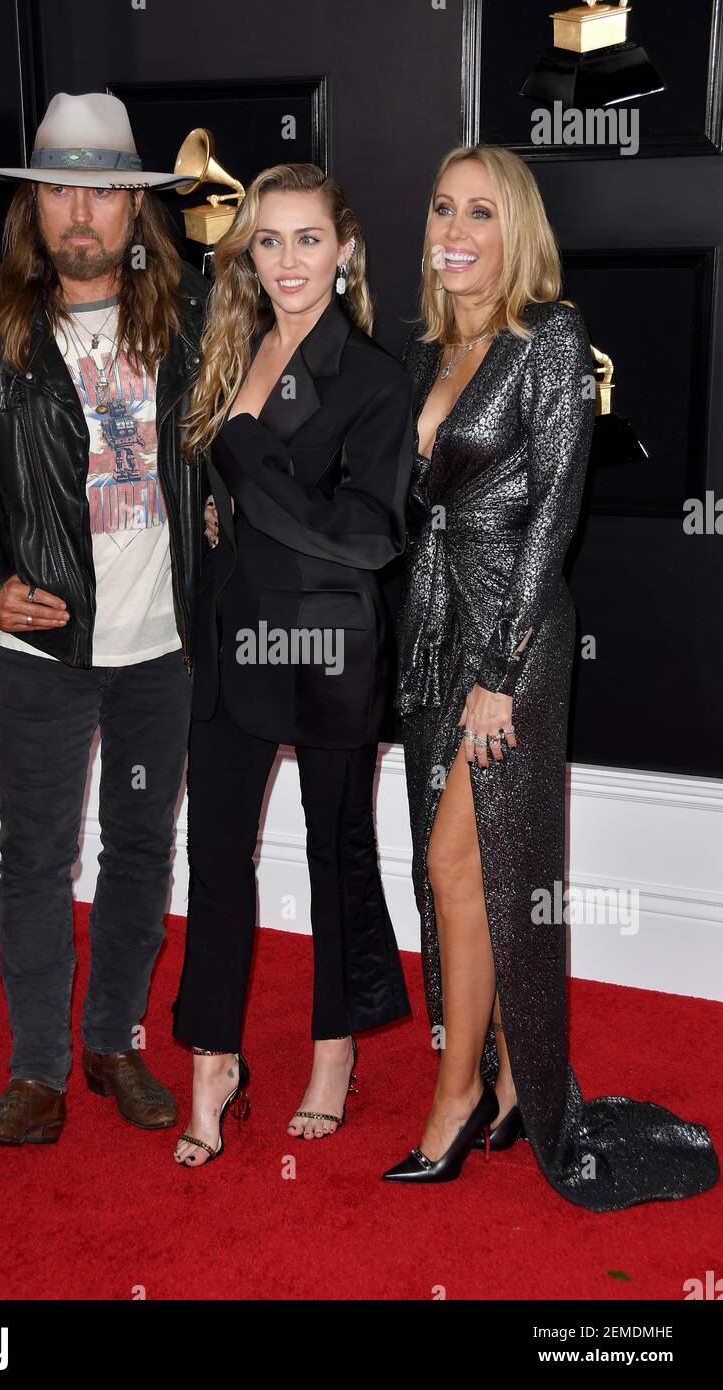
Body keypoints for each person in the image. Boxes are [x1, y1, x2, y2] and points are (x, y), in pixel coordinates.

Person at [382, 144, 720, 1208]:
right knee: (454, 876)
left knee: (456, 864)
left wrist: (497, 668)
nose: (453, 229)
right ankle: (503, 1085)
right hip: (434, 628)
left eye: (477, 211)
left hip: (509, 639)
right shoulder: (433, 348)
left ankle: (456, 1100)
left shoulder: (551, 339)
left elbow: (551, 521)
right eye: (442, 207)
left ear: (512, 230)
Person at [0, 92, 208, 1144]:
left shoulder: (194, 319)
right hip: (40, 644)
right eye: (58, 191)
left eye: (102, 193)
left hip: (163, 646)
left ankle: (112, 1041)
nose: (80, 213)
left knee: (139, 845)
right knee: (34, 858)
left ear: (135, 214)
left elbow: (245, 457)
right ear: (30, 207)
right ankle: (36, 1070)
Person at [169, 163, 414, 1166]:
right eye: (266, 241)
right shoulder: (232, 347)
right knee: (215, 855)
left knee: (334, 853)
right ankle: (211, 1059)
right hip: (228, 646)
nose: (286, 261)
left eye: (306, 238)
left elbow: (364, 536)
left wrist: (242, 454)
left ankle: (332, 1050)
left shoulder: (373, 379)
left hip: (324, 643)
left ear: (343, 249)